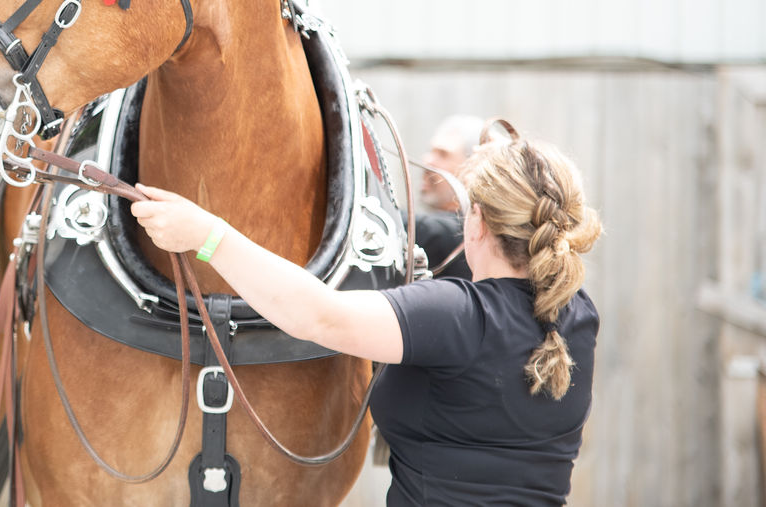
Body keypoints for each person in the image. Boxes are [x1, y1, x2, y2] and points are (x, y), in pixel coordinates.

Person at [131, 119, 603, 506]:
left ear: (475, 223)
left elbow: (317, 316)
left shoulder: (454, 316)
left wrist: (208, 234)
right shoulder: (578, 316)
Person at [415, 113, 487, 279]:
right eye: (431, 151)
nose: (427, 161)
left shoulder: (466, 232)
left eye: (443, 154)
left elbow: (428, 229)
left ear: (473, 168)